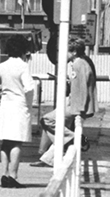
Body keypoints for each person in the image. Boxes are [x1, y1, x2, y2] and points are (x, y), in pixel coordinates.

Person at [33, 39, 96, 167]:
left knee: (47, 120)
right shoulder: (83, 62)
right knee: (59, 129)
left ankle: (75, 139)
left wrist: (79, 109)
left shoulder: (79, 64)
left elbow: (82, 87)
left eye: (65, 52)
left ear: (73, 52)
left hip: (75, 104)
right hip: (75, 102)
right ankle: (48, 158)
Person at [0, 35, 37, 188]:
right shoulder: (23, 66)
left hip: (5, 105)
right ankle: (13, 175)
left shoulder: (2, 66)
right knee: (17, 142)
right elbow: (29, 87)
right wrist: (29, 105)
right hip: (19, 105)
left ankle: (4, 174)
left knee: (5, 142)